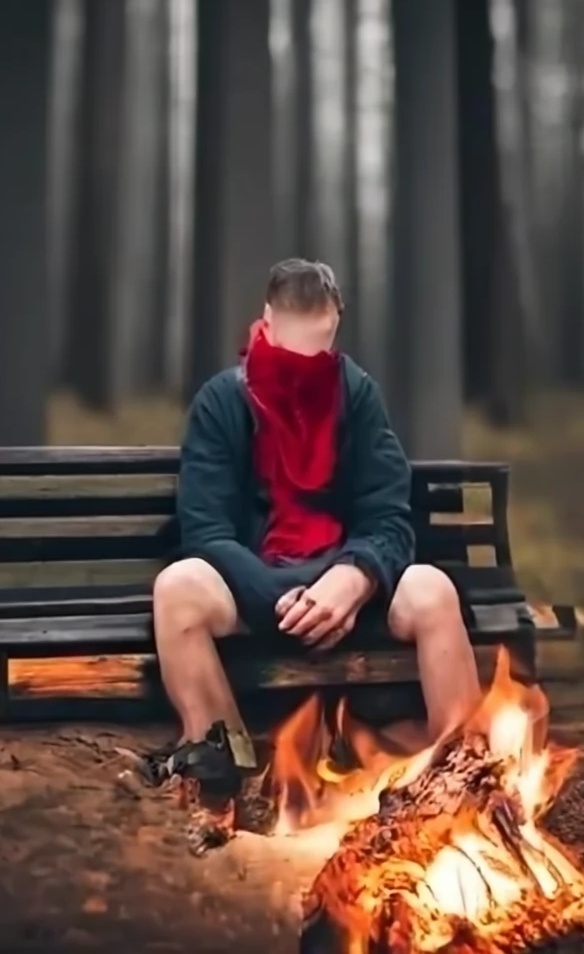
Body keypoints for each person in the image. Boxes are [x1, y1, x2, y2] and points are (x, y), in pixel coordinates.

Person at [146, 258, 481, 794]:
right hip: (255, 589)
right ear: (267, 320)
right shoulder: (221, 402)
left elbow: (389, 517)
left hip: (349, 590)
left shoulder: (357, 395)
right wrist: (283, 599)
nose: (305, 367)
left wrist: (353, 580)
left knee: (433, 589)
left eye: (319, 349)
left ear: (336, 325)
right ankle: (221, 768)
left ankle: (464, 772)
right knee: (177, 588)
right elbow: (206, 533)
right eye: (291, 351)